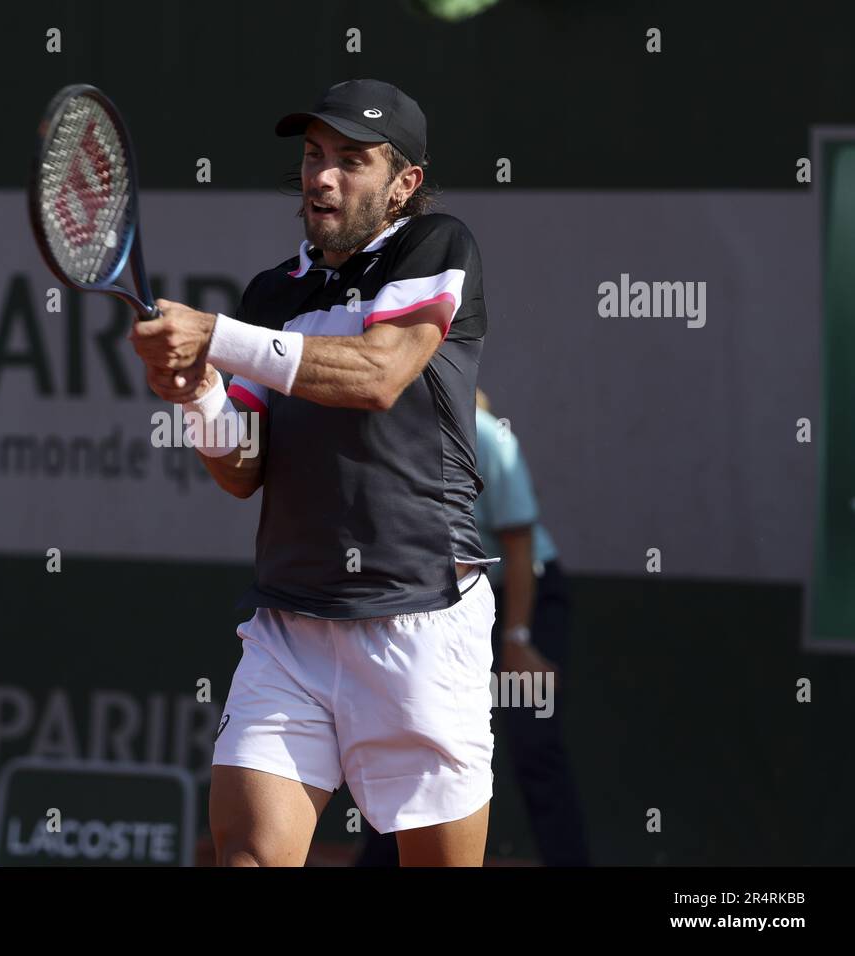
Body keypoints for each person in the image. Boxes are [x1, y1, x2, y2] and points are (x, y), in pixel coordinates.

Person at [128, 79, 498, 866]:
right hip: (289, 626)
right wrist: (196, 390)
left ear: (405, 183)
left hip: (419, 618)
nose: (323, 177)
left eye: (352, 161)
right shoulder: (273, 293)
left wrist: (215, 337)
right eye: (313, 156)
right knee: (249, 856)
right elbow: (242, 470)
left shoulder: (435, 247)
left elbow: (378, 374)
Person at [355, 389, 591, 866]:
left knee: (532, 743)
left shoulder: (487, 438)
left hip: (523, 598)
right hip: (445, 601)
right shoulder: (383, 441)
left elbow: (520, 545)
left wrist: (518, 638)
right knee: (415, 732)